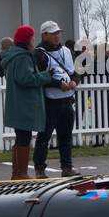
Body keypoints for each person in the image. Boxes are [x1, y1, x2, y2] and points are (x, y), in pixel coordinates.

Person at [1, 25, 63, 180]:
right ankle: (20, 173)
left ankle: (17, 172)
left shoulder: (14, 55)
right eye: (32, 37)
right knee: (24, 138)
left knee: (21, 138)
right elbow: (26, 79)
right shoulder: (23, 57)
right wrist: (45, 76)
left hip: (17, 104)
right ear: (27, 39)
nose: (34, 40)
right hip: (24, 104)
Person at [32, 20, 79, 177]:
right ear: (44, 35)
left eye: (58, 33)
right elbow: (39, 77)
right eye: (53, 33)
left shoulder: (67, 51)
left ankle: (67, 167)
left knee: (65, 136)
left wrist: (74, 81)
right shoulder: (38, 53)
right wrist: (58, 84)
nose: (57, 36)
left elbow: (74, 72)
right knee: (44, 137)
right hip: (50, 101)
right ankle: (39, 168)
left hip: (67, 99)